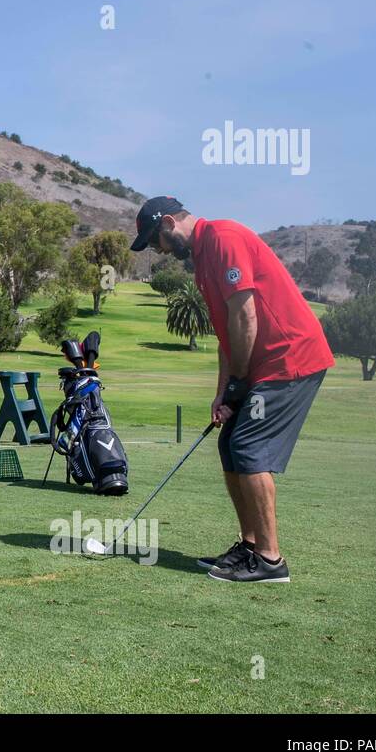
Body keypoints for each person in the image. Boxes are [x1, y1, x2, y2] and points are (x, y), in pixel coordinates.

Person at [130, 196, 333, 583]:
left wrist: (241, 382)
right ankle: (251, 545)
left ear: (170, 223)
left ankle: (271, 560)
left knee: (248, 446)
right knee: (229, 444)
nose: (157, 249)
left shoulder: (223, 238)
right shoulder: (203, 262)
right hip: (260, 366)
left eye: (155, 239)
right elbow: (228, 334)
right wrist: (224, 392)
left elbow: (246, 315)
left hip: (289, 357)